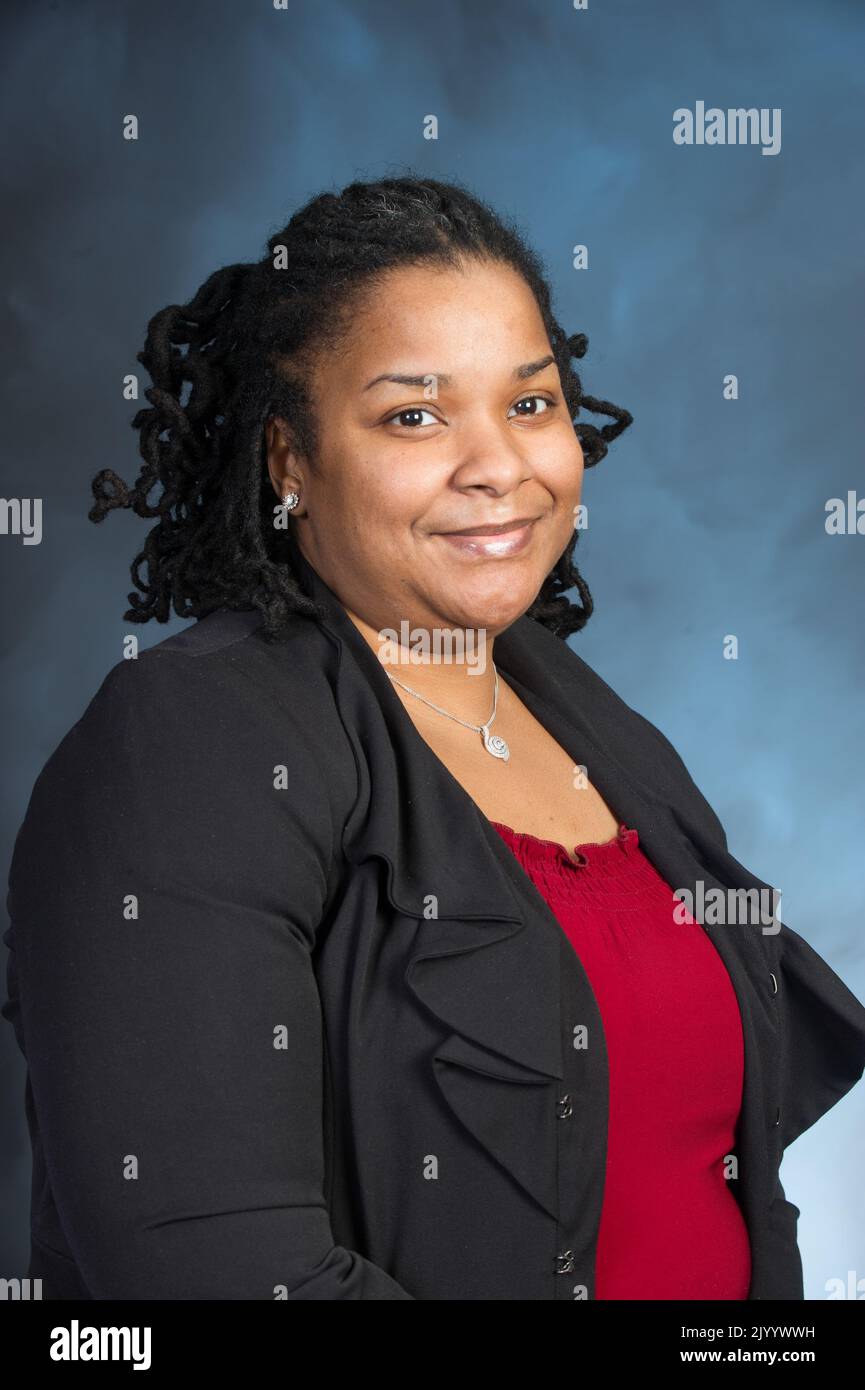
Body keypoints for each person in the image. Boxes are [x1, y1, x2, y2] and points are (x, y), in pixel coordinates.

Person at [4, 175, 865, 1300]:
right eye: (413, 414)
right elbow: (221, 1272)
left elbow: (720, 1174)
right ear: (288, 462)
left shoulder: (585, 719)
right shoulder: (191, 740)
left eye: (529, 403)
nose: (498, 466)